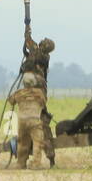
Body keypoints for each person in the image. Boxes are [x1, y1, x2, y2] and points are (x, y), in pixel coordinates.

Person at [22, 28, 57, 167]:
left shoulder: (39, 54)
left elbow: (30, 43)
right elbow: (30, 45)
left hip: (35, 93)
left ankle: (46, 157)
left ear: (45, 46)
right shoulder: (41, 55)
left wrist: (28, 34)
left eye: (44, 41)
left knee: (39, 123)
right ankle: (48, 158)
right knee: (39, 123)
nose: (41, 41)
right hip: (37, 92)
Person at [9, 71, 47, 169]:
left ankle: (20, 163)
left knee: (22, 142)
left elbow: (11, 101)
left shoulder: (19, 93)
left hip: (22, 121)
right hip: (34, 121)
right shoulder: (39, 93)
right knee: (38, 142)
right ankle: (36, 164)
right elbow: (44, 103)